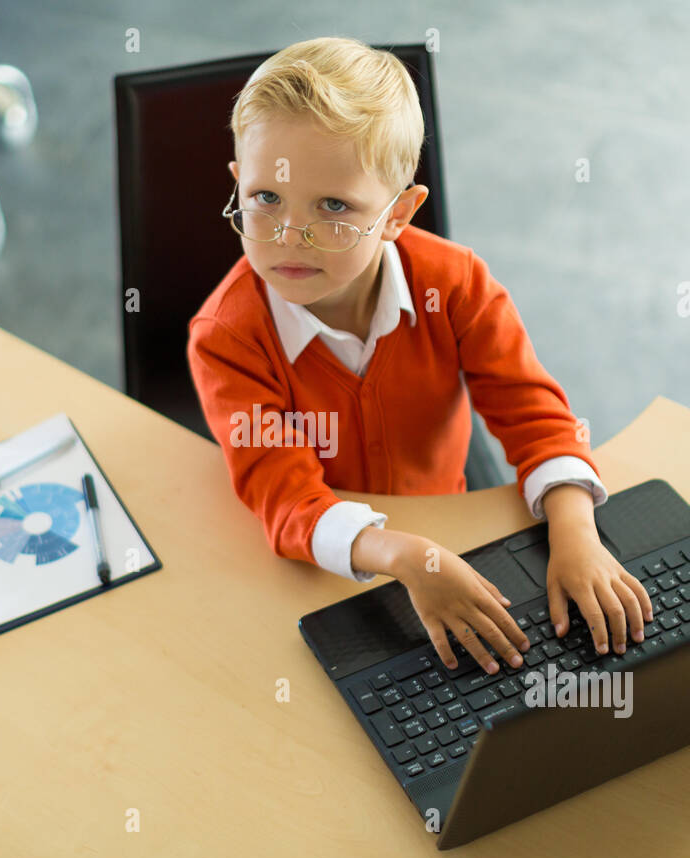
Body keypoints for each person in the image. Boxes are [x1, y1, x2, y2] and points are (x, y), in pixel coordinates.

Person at [188, 36, 652, 676]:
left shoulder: (457, 284)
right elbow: (285, 497)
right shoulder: (227, 336)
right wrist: (406, 556)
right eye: (266, 198)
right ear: (240, 182)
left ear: (399, 213)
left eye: (333, 207)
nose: (289, 236)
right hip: (336, 566)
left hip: (449, 523)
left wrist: (576, 531)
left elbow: (534, 413)